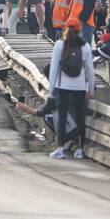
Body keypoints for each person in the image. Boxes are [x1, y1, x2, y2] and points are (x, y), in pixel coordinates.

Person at [45, 25, 94, 159]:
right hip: (80, 87)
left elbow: (54, 69)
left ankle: (60, 149)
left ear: (65, 30)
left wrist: (51, 92)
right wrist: (91, 89)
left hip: (63, 87)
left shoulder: (60, 45)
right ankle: (80, 149)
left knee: (62, 117)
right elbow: (90, 69)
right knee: (80, 118)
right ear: (80, 31)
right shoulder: (86, 46)